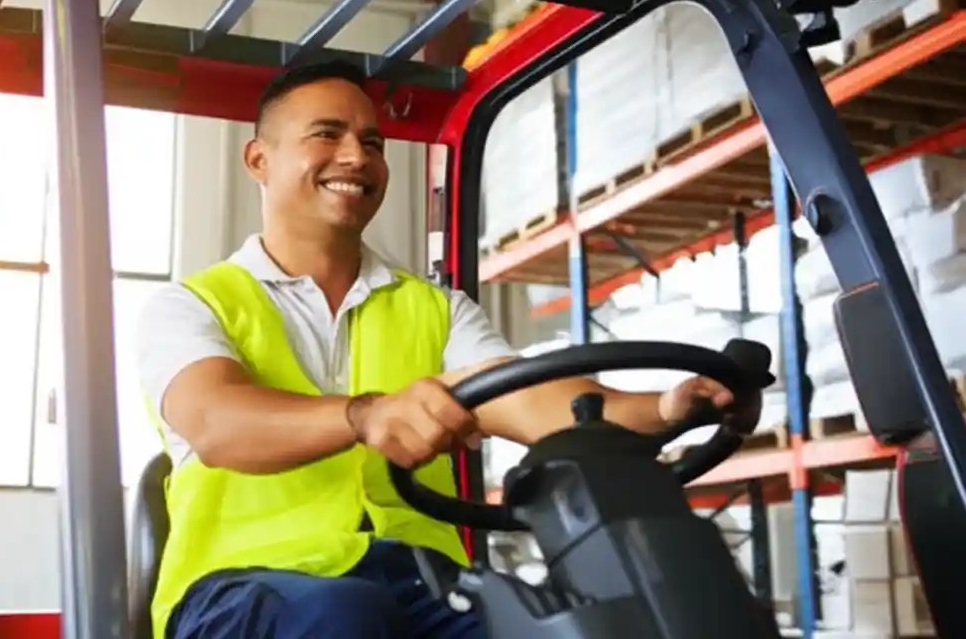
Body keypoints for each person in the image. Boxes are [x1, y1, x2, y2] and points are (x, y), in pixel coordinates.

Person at [135, 59, 734, 639]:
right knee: (343, 616)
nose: (356, 156)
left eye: (372, 143)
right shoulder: (193, 306)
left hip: (419, 582)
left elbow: (530, 400)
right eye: (328, 134)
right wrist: (364, 415)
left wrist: (663, 410)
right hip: (241, 592)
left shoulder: (435, 310)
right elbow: (217, 422)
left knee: (549, 624)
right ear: (259, 159)